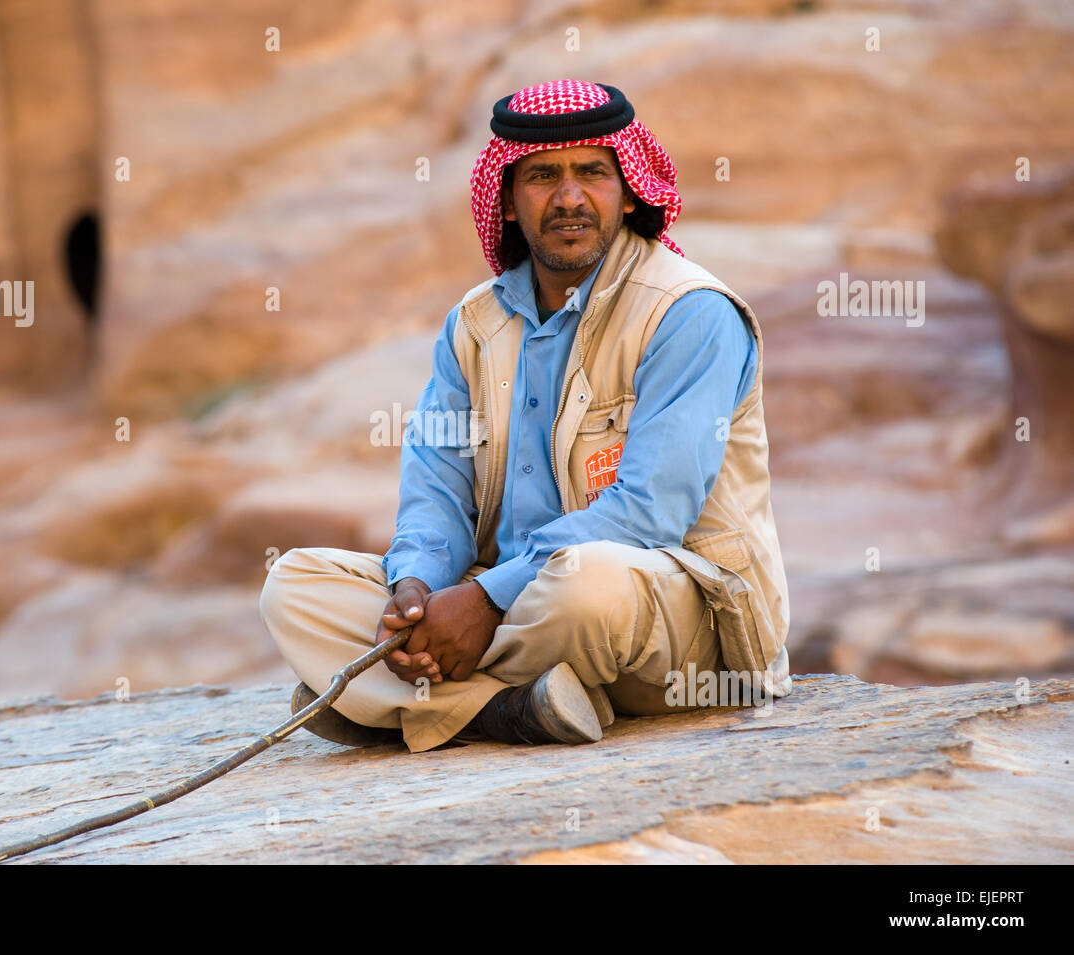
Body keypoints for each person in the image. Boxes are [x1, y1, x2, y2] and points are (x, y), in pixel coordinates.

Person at [259, 79, 791, 753]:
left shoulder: (689, 313)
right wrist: (418, 589)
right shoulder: (474, 326)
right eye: (542, 176)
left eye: (591, 173)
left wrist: (484, 603)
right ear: (508, 199)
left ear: (629, 189)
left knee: (586, 584)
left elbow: (648, 515)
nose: (569, 197)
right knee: (295, 588)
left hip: (666, 622)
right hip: (523, 618)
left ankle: (400, 701)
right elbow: (436, 491)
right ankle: (513, 706)